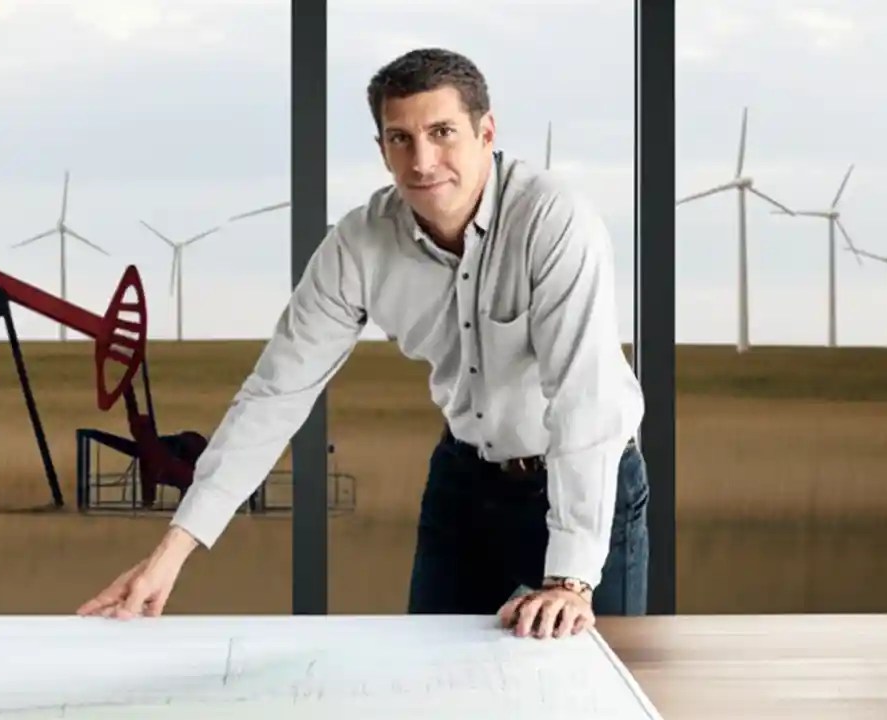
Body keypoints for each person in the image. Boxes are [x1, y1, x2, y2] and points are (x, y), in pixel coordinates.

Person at [78, 47, 648, 640]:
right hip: (466, 482)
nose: (422, 161)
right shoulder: (359, 243)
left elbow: (583, 399)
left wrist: (571, 582)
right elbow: (276, 394)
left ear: (487, 132)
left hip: (586, 476)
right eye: (400, 139)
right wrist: (170, 554)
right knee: (430, 683)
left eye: (442, 132)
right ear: (381, 149)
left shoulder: (554, 218)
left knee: (593, 688)